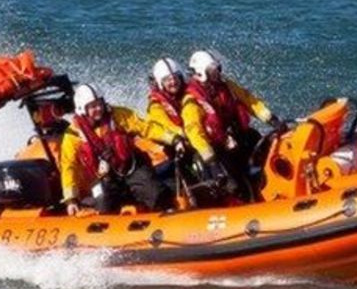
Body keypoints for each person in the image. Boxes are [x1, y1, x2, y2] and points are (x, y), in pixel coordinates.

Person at [60, 83, 186, 216]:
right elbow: (69, 166)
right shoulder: (73, 134)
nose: (99, 108)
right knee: (104, 207)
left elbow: (146, 128)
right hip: (104, 178)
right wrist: (71, 199)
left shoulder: (118, 115)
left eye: (100, 103)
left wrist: (173, 139)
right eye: (93, 106)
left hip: (131, 168)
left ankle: (151, 205)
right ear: (82, 109)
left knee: (157, 195)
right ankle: (90, 204)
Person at [182, 50, 285, 201]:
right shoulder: (191, 101)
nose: (217, 73)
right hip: (216, 149)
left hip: (238, 137)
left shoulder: (228, 86)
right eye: (212, 71)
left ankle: (276, 188)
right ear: (201, 73)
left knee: (268, 149)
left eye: (217, 69)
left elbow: (250, 101)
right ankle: (244, 201)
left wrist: (272, 120)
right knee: (234, 185)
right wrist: (211, 160)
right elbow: (194, 133)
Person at [146, 57, 186, 138]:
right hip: (167, 139)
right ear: (160, 83)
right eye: (168, 80)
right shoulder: (155, 105)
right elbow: (167, 125)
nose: (173, 82)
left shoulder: (187, 93)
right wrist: (184, 133)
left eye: (175, 77)